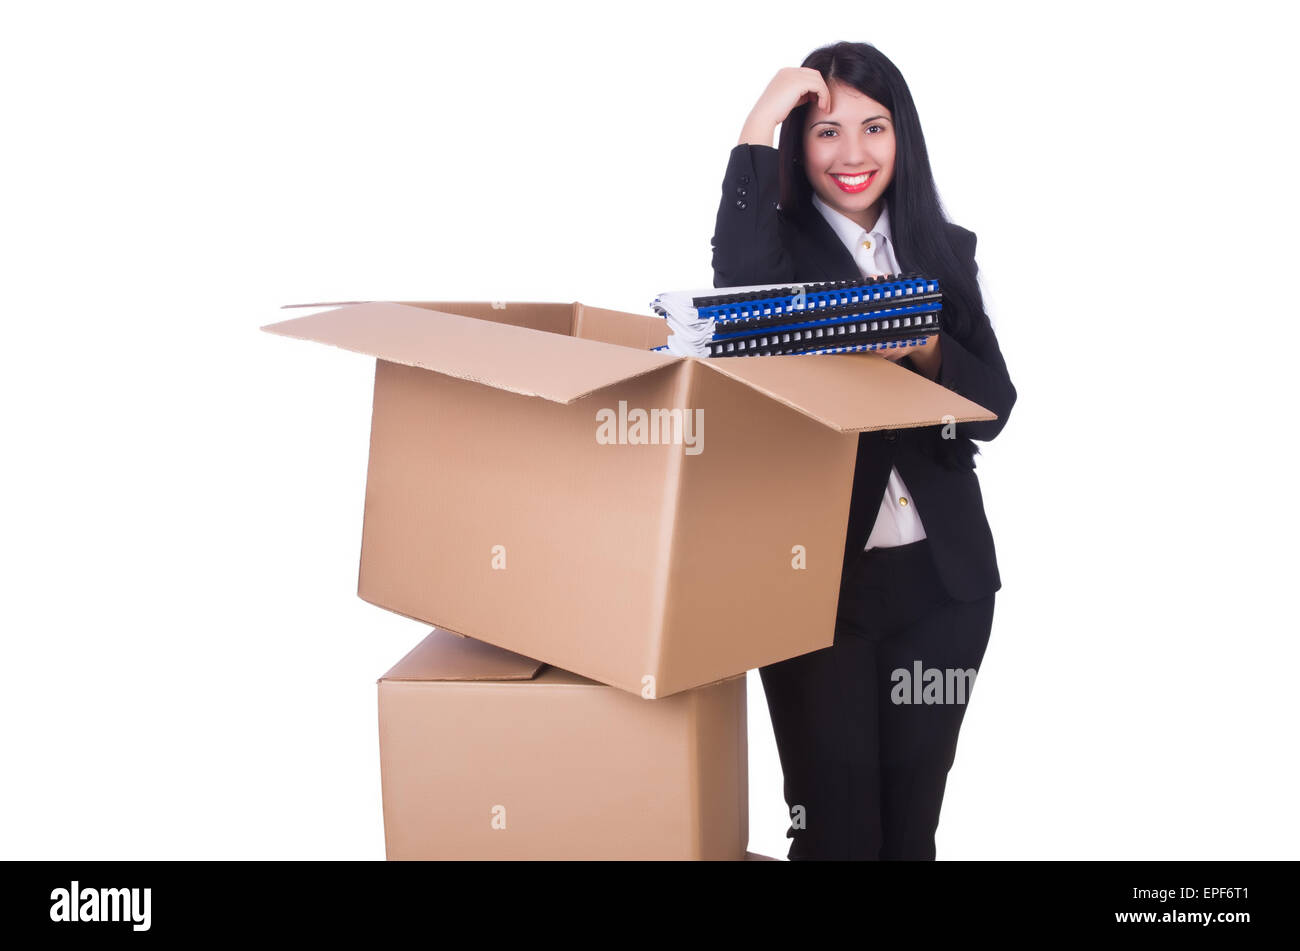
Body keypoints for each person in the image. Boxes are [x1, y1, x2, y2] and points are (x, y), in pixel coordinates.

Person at [711, 41, 1016, 860]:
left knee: (910, 834)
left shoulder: (944, 250)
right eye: (826, 131)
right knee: (836, 833)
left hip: (944, 589)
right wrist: (756, 122)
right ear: (796, 145)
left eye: (874, 128)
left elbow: (993, 409)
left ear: (901, 135)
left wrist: (924, 346)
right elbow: (738, 291)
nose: (853, 154)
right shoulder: (776, 251)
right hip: (817, 590)